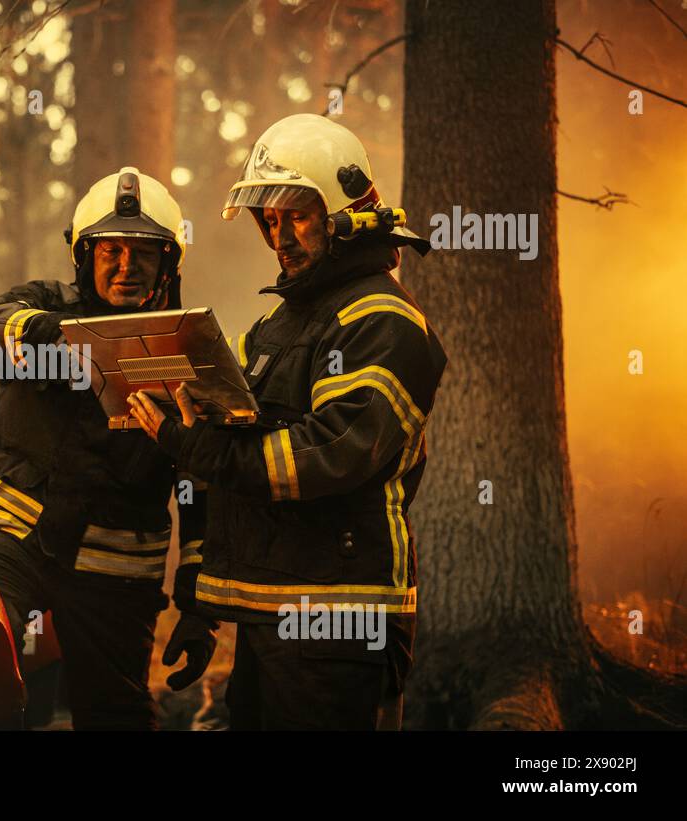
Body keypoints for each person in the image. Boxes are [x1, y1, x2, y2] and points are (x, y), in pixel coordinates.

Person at [128, 114, 447, 730]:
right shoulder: (283, 326)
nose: (281, 237)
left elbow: (325, 456)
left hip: (339, 617)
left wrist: (192, 443)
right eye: (269, 220)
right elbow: (232, 421)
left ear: (344, 210)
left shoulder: (384, 321)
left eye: (297, 214)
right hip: (270, 606)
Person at [0, 167, 216, 730]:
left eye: (143, 254)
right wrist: (40, 333)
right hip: (14, 534)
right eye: (111, 251)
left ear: (168, 264)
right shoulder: (45, 306)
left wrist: (198, 603)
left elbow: (202, 481)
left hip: (116, 566)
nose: (126, 267)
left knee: (117, 715)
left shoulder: (186, 349)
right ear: (83, 256)